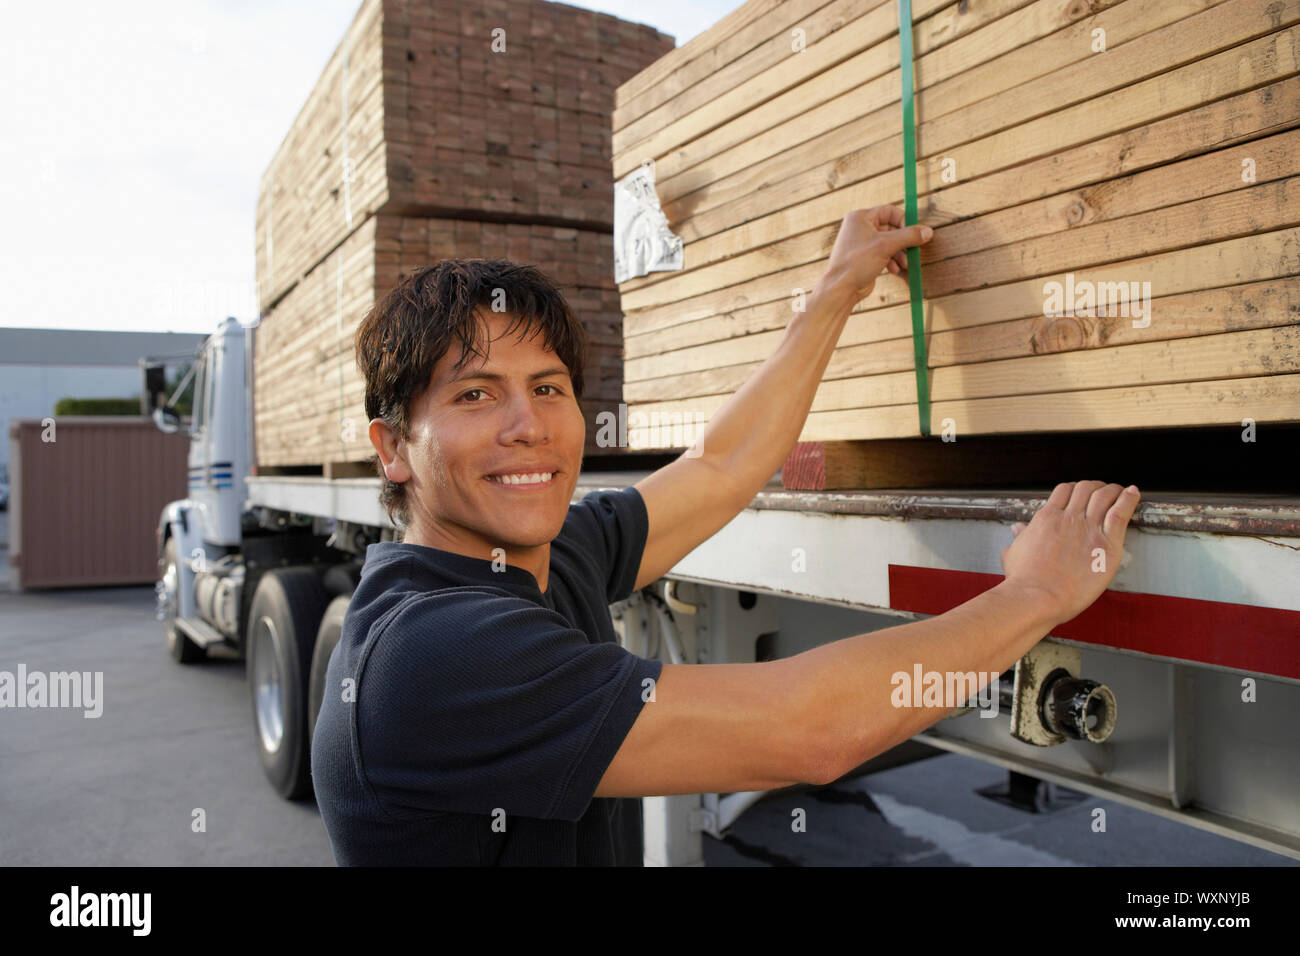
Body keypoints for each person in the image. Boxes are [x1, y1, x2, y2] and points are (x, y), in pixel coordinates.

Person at [310, 205, 1141, 865]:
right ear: (392, 450)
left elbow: (718, 465)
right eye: (476, 395)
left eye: (549, 387)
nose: (529, 425)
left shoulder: (537, 560)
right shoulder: (432, 655)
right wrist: (1036, 594)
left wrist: (835, 291)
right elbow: (807, 730)